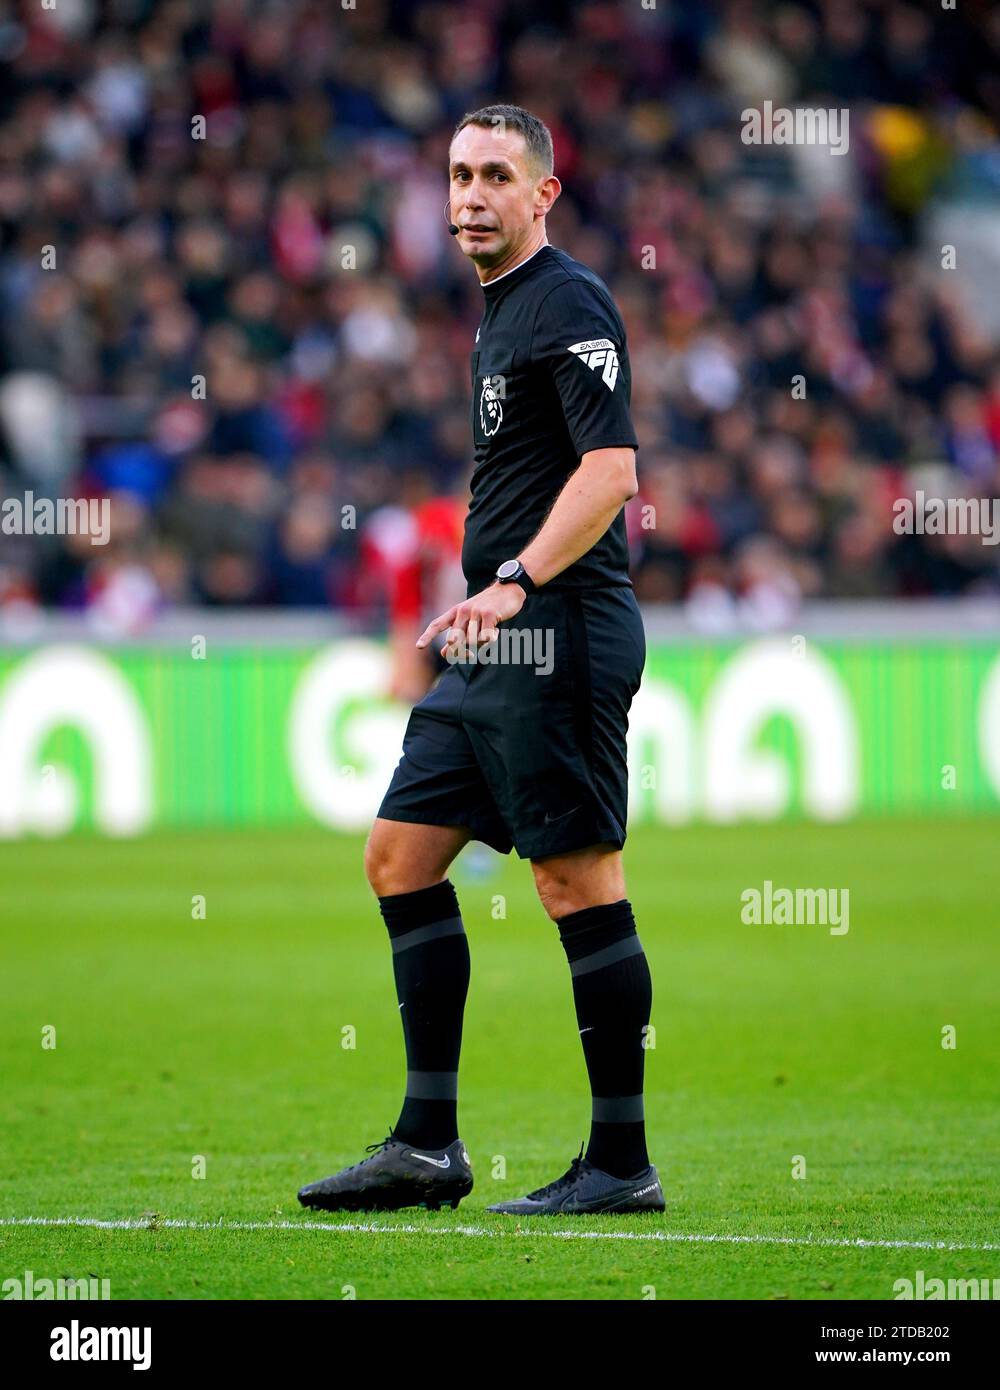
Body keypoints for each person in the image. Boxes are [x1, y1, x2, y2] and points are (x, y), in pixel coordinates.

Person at [298, 104, 663, 1216]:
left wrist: (515, 581)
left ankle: (617, 1163)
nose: (469, 195)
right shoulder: (498, 315)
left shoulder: (568, 299)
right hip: (491, 643)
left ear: (542, 194)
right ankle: (426, 1144)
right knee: (399, 857)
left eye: (494, 175)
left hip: (556, 631)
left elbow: (611, 473)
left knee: (574, 882)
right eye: (457, 175)